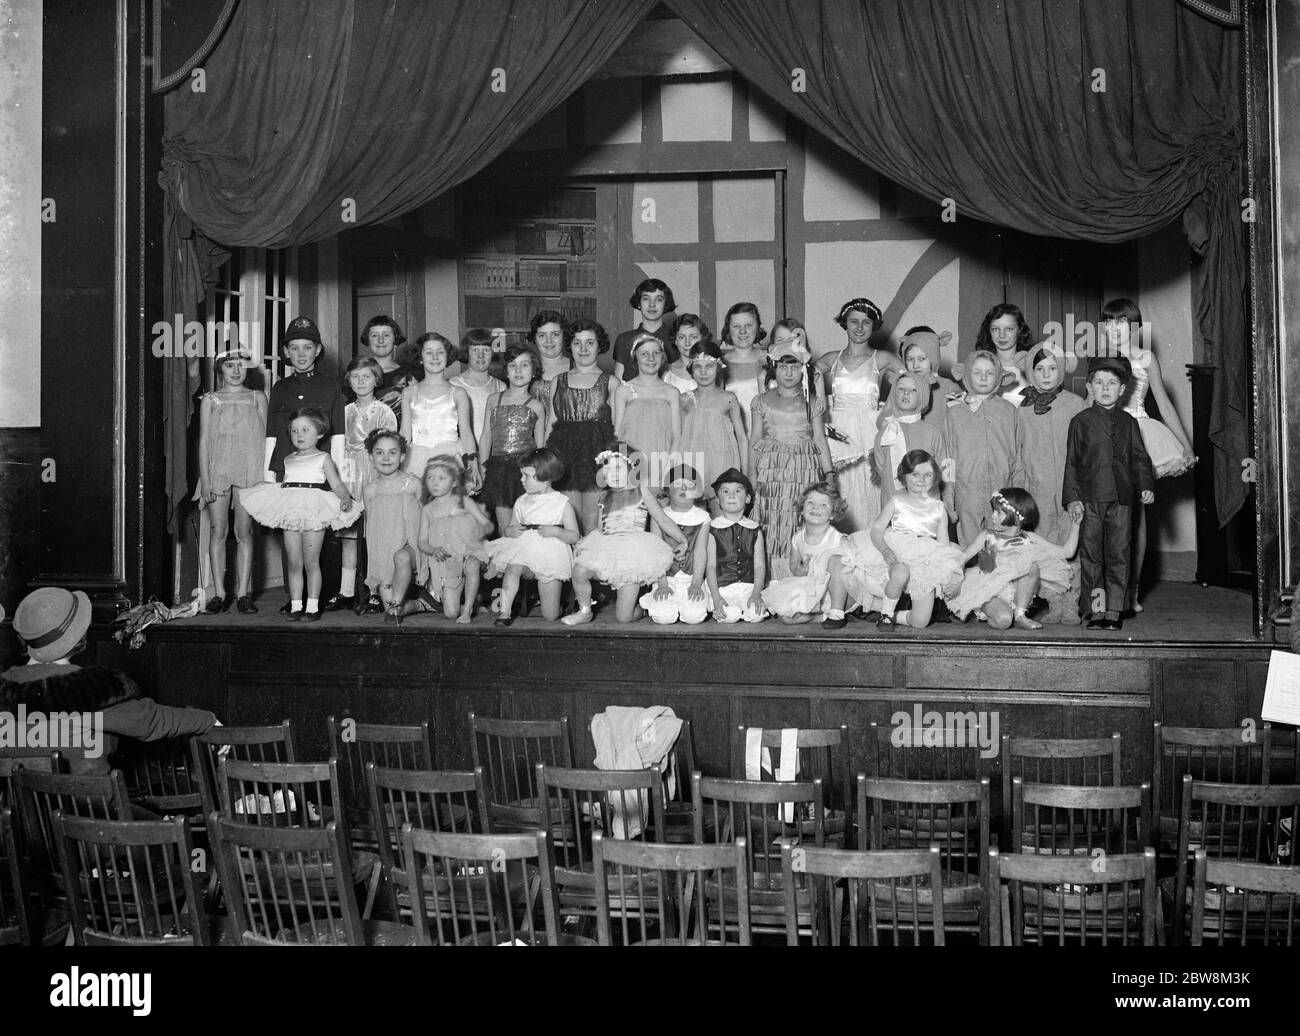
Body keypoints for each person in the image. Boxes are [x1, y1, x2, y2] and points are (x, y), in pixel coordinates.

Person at [0, 588, 219, 775]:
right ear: (79, 637)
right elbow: (151, 721)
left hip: (23, 818)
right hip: (90, 813)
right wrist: (207, 720)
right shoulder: (88, 690)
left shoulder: (8, 685)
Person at [1102, 297, 1197, 614]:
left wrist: (1186, 445)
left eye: (1122, 323)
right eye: (1110, 323)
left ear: (1134, 326)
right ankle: (1108, 589)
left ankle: (1132, 592)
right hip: (1109, 436)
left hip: (1140, 435)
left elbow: (1165, 405)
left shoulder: (1146, 357)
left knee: (1137, 516)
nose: (1115, 329)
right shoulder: (1100, 357)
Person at [241, 407, 360, 621]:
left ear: (320, 433)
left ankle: (312, 607)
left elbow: (337, 484)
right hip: (292, 510)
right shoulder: (288, 459)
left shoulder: (323, 458)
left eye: (306, 430)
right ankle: (296, 605)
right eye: (294, 431)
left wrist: (344, 498)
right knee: (294, 562)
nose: (299, 435)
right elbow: (287, 485)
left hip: (313, 510)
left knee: (311, 562)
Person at [1063, 355, 1155, 630]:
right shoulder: (1080, 422)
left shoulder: (1129, 422)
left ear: (1123, 389)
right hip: (1091, 499)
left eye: (1112, 383)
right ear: (1089, 386)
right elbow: (1072, 463)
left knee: (1119, 555)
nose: (1105, 388)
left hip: (1122, 500)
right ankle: (1096, 611)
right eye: (1099, 382)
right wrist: (1072, 498)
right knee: (1092, 557)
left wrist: (1147, 485)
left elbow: (1140, 458)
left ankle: (1114, 611)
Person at [562, 444, 689, 626]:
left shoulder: (641, 491)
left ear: (632, 469)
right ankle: (584, 610)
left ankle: (645, 608)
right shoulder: (604, 497)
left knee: (624, 617)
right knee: (579, 570)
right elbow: (600, 528)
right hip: (607, 549)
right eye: (606, 470)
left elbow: (662, 519)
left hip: (633, 556)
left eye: (617, 468)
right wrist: (586, 546)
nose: (611, 474)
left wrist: (682, 539)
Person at [817, 297, 901, 534]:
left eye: (866, 322)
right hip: (839, 431)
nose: (860, 328)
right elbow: (801, 377)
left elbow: (913, 381)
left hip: (869, 429)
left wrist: (890, 409)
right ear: (844, 323)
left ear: (874, 326)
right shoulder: (832, 359)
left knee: (870, 486)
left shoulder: (881, 358)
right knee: (842, 488)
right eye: (854, 321)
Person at [193, 347, 266, 615]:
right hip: (219, 470)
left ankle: (244, 593)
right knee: (218, 531)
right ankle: (220, 593)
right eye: (229, 365)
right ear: (219, 369)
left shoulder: (257, 397)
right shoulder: (210, 400)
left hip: (249, 471)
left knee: (244, 532)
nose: (236, 371)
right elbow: (203, 441)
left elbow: (266, 441)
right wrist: (207, 479)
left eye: (240, 365)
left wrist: (266, 477)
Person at [750, 337, 833, 572]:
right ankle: (769, 575)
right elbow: (754, 440)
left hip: (803, 467)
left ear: (803, 370)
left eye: (795, 366)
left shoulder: (812, 402)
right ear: (774, 368)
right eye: (783, 366)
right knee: (770, 515)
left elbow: (819, 438)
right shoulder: (761, 401)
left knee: (799, 515)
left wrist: (829, 473)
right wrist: (751, 475)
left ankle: (800, 572)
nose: (789, 373)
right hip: (771, 468)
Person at [949, 488, 1080, 630]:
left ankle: (1020, 615)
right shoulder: (987, 536)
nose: (992, 516)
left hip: (1018, 595)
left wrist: (1076, 525)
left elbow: (1067, 552)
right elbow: (962, 558)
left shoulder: (1028, 538)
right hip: (989, 592)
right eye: (994, 511)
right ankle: (996, 613)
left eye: (998, 513)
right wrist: (956, 582)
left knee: (1031, 564)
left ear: (1017, 519)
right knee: (1004, 621)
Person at [483, 447, 580, 625]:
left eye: (526, 476)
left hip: (550, 556)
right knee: (513, 567)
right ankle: (504, 613)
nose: (521, 480)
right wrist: (509, 531)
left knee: (550, 615)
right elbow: (510, 528)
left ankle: (557, 603)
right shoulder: (521, 501)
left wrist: (557, 531)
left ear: (545, 476)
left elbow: (574, 536)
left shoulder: (562, 504)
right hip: (524, 551)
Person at [330, 356, 397, 613]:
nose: (361, 381)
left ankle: (375, 591)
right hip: (349, 473)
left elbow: (389, 450)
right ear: (349, 380)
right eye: (356, 377)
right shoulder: (344, 411)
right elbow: (339, 446)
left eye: (367, 376)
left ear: (376, 379)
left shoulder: (384, 411)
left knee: (374, 537)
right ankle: (347, 591)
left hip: (373, 473)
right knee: (349, 535)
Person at [870, 450, 964, 629]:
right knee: (900, 572)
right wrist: (884, 550)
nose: (921, 480)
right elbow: (876, 530)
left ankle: (888, 613)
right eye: (915, 474)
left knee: (920, 622)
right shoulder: (897, 501)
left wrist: (947, 573)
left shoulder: (938, 508)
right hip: (898, 552)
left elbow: (943, 546)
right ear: (904, 476)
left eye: (927, 475)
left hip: (925, 561)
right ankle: (886, 615)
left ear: (935, 477)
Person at [940, 350, 1023, 547]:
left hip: (1003, 489)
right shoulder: (955, 413)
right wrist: (948, 493)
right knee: (970, 545)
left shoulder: (1008, 411)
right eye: (977, 373)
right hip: (967, 490)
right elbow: (947, 457)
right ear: (967, 375)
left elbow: (1018, 455)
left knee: (1003, 545)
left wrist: (1018, 491)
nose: (984, 378)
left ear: (999, 376)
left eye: (990, 373)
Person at [546, 318, 615, 535]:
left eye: (590, 343)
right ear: (570, 346)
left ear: (599, 346)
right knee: (570, 520)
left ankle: (589, 566)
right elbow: (550, 424)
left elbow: (619, 429)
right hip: (565, 457)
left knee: (593, 520)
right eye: (577, 343)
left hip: (598, 457)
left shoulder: (611, 382)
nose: (583, 349)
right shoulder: (559, 380)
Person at [761, 482, 853, 627]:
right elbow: (794, 564)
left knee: (837, 562)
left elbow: (850, 568)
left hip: (834, 591)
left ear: (833, 514)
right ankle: (821, 617)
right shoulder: (798, 538)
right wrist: (799, 570)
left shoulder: (837, 538)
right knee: (785, 617)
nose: (816, 507)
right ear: (802, 509)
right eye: (810, 502)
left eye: (824, 504)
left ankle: (836, 612)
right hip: (810, 587)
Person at [478, 346, 546, 535]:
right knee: (504, 524)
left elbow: (540, 447)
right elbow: (486, 436)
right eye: (512, 365)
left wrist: (539, 475)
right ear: (505, 371)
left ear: (533, 371)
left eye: (524, 365)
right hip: (498, 470)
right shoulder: (494, 400)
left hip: (525, 470)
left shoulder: (537, 406)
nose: (518, 371)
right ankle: (503, 562)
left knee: (526, 522)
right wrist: (483, 467)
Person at [417, 454, 493, 624]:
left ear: (453, 482)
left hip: (470, 553)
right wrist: (433, 550)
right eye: (431, 478)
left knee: (472, 564)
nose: (435, 482)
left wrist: (478, 531)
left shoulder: (463, 501)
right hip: (449, 561)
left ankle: (467, 610)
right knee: (450, 613)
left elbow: (488, 525)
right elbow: (421, 542)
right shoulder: (428, 510)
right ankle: (473, 602)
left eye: (441, 478)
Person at [358, 431, 424, 625]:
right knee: (394, 612)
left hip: (412, 547)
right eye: (379, 452)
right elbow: (374, 529)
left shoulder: (413, 484)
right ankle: (419, 605)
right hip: (384, 555)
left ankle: (398, 603)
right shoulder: (370, 490)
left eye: (392, 452)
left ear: (402, 456)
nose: (386, 458)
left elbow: (428, 516)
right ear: (371, 457)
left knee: (401, 557)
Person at [400, 332, 477, 483]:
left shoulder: (458, 393)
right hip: (416, 459)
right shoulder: (409, 393)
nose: (435, 357)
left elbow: (467, 433)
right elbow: (405, 434)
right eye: (429, 353)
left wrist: (473, 464)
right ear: (420, 358)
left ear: (447, 357)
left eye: (440, 352)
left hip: (450, 458)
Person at [640, 466, 711, 625]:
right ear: (668, 490)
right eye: (678, 484)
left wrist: (696, 583)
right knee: (663, 617)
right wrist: (662, 584)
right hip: (667, 577)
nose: (683, 488)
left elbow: (700, 552)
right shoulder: (660, 515)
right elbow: (656, 551)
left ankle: (689, 602)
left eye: (689, 485)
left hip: (691, 577)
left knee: (693, 616)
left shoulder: (703, 517)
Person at [679, 340, 747, 504]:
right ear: (690, 369)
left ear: (718, 367)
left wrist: (744, 473)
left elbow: (742, 438)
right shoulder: (684, 400)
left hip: (722, 465)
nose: (703, 372)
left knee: (722, 516)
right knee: (694, 518)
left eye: (709, 366)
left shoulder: (728, 399)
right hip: (692, 465)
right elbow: (678, 438)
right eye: (698, 367)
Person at [613, 333, 681, 490]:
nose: (651, 358)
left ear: (663, 357)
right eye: (644, 354)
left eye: (656, 353)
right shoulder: (624, 390)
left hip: (661, 462)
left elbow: (677, 436)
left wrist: (669, 469)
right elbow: (617, 433)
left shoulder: (671, 392)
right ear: (635, 358)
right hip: (632, 462)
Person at [705, 469, 768, 624]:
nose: (731, 496)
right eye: (725, 491)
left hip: (749, 587)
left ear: (747, 498)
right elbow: (711, 566)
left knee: (756, 615)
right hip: (723, 589)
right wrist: (716, 596)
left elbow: (760, 566)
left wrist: (756, 593)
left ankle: (749, 607)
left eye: (738, 491)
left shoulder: (755, 529)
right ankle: (727, 609)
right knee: (729, 615)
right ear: (718, 500)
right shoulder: (713, 528)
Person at [872, 372, 941, 505]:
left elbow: (942, 465)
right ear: (893, 394)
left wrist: (947, 500)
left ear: (923, 395)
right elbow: (881, 466)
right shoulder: (885, 433)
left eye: (913, 389)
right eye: (901, 389)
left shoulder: (933, 432)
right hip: (893, 501)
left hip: (928, 503)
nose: (906, 393)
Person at [449, 327, 506, 448]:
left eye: (486, 350)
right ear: (467, 352)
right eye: (475, 350)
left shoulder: (500, 386)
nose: (481, 355)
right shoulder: (454, 384)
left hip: (492, 452)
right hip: (462, 451)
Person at [612, 278, 676, 381]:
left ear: (666, 304)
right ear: (638, 303)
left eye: (659, 299)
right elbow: (618, 382)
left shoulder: (676, 339)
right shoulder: (624, 340)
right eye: (646, 299)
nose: (652, 304)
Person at [717, 302, 767, 434]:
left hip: (766, 437)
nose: (742, 331)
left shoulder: (770, 359)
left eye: (748, 325)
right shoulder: (718, 364)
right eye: (736, 326)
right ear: (728, 329)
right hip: (732, 438)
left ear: (758, 327)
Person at [899, 327, 961, 432]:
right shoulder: (900, 385)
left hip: (939, 444)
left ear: (934, 357)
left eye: (922, 359)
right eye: (910, 359)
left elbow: (960, 423)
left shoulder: (948, 387)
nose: (915, 365)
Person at [359, 315, 415, 425]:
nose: (380, 340)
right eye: (375, 335)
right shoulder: (356, 373)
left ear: (395, 339)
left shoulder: (408, 376)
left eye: (386, 335)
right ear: (368, 340)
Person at [663, 313, 706, 394]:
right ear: (675, 340)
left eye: (693, 337)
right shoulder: (666, 372)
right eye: (681, 337)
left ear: (702, 338)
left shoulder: (713, 370)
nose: (687, 343)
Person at [529, 309, 572, 389]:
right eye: (542, 335)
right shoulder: (526, 367)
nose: (549, 340)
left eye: (555, 334)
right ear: (535, 339)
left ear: (564, 336)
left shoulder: (577, 367)